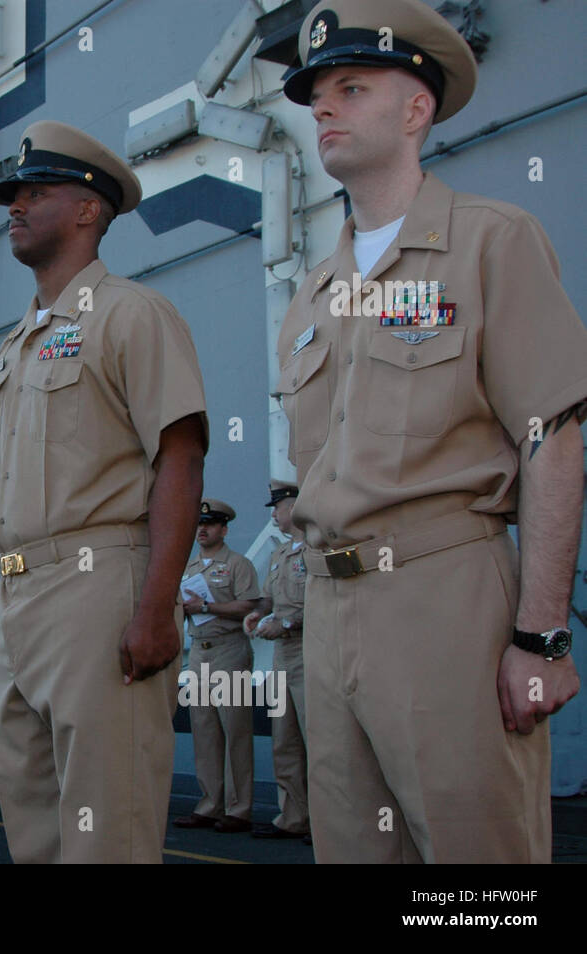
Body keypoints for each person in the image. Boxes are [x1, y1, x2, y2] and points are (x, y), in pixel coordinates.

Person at [277, 0, 587, 862]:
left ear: (416, 109)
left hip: (444, 595)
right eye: (314, 95)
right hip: (328, 607)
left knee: (475, 870)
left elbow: (552, 438)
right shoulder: (314, 292)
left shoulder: (491, 242)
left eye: (350, 86)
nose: (323, 108)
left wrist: (541, 637)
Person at [0, 120, 209, 862]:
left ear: (89, 211)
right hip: (17, 595)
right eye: (13, 195)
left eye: (36, 192)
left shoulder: (130, 313)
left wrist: (155, 607)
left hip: (97, 589)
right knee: (35, 825)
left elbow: (179, 457)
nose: (16, 206)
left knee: (106, 827)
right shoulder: (15, 345)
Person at [174, 500, 261, 833]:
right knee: (205, 731)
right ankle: (209, 805)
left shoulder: (239, 565)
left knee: (235, 731)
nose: (202, 530)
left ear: (224, 529)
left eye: (209, 524)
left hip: (229, 650)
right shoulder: (191, 568)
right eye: (199, 524)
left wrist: (207, 604)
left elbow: (248, 605)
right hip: (199, 651)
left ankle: (239, 809)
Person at [243, 481, 309, 840]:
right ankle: (292, 816)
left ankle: (330, 821)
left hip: (310, 652)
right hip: (283, 657)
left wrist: (285, 622)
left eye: (279, 506)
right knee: (285, 741)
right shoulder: (279, 555)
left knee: (320, 742)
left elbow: (326, 604)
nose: (274, 513)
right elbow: (268, 599)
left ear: (296, 507)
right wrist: (258, 615)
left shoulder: (317, 551)